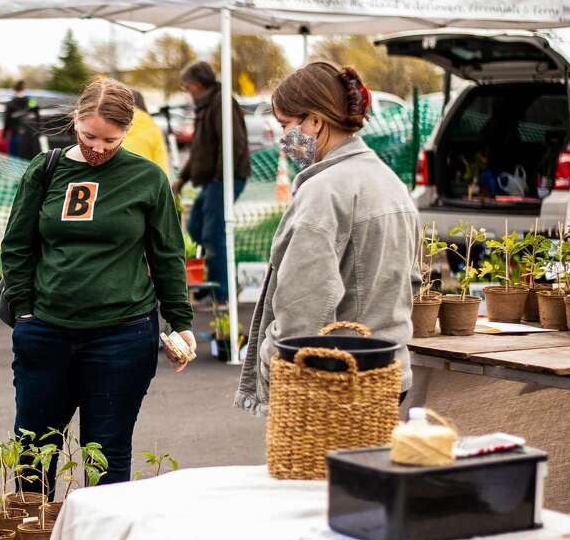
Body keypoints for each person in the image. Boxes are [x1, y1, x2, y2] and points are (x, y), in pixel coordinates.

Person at [1, 78, 195, 491]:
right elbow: (16, 245)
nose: (98, 148)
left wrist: (180, 322)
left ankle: (101, 532)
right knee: (33, 452)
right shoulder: (45, 169)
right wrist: (25, 313)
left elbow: (167, 255)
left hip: (123, 336)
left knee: (107, 453)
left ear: (127, 131)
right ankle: (35, 530)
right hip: (46, 332)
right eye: (89, 136)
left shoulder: (147, 178)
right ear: (75, 120)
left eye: (110, 140)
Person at [235, 62, 419, 415]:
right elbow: (411, 282)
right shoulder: (390, 182)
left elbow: (303, 306)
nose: (283, 139)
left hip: (333, 381)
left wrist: (272, 360)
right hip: (388, 373)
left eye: (285, 125)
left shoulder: (323, 191)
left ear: (315, 122)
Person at [171, 61, 250, 304]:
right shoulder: (206, 105)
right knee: (195, 226)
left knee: (212, 232)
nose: (187, 91)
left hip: (226, 178)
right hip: (214, 181)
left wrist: (219, 178)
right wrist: (182, 178)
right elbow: (199, 149)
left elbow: (233, 143)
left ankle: (222, 293)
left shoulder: (222, 102)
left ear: (197, 84)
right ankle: (214, 282)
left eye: (187, 86)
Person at [121, 88, 170, 177]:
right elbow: (161, 159)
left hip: (119, 176)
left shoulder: (116, 124)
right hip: (146, 178)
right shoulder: (152, 127)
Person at [4, 80, 38, 159]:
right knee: (27, 158)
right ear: (24, 89)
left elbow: (7, 120)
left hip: (14, 134)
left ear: (15, 90)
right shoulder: (30, 101)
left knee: (13, 158)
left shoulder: (10, 103)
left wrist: (4, 132)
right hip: (28, 135)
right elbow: (37, 114)